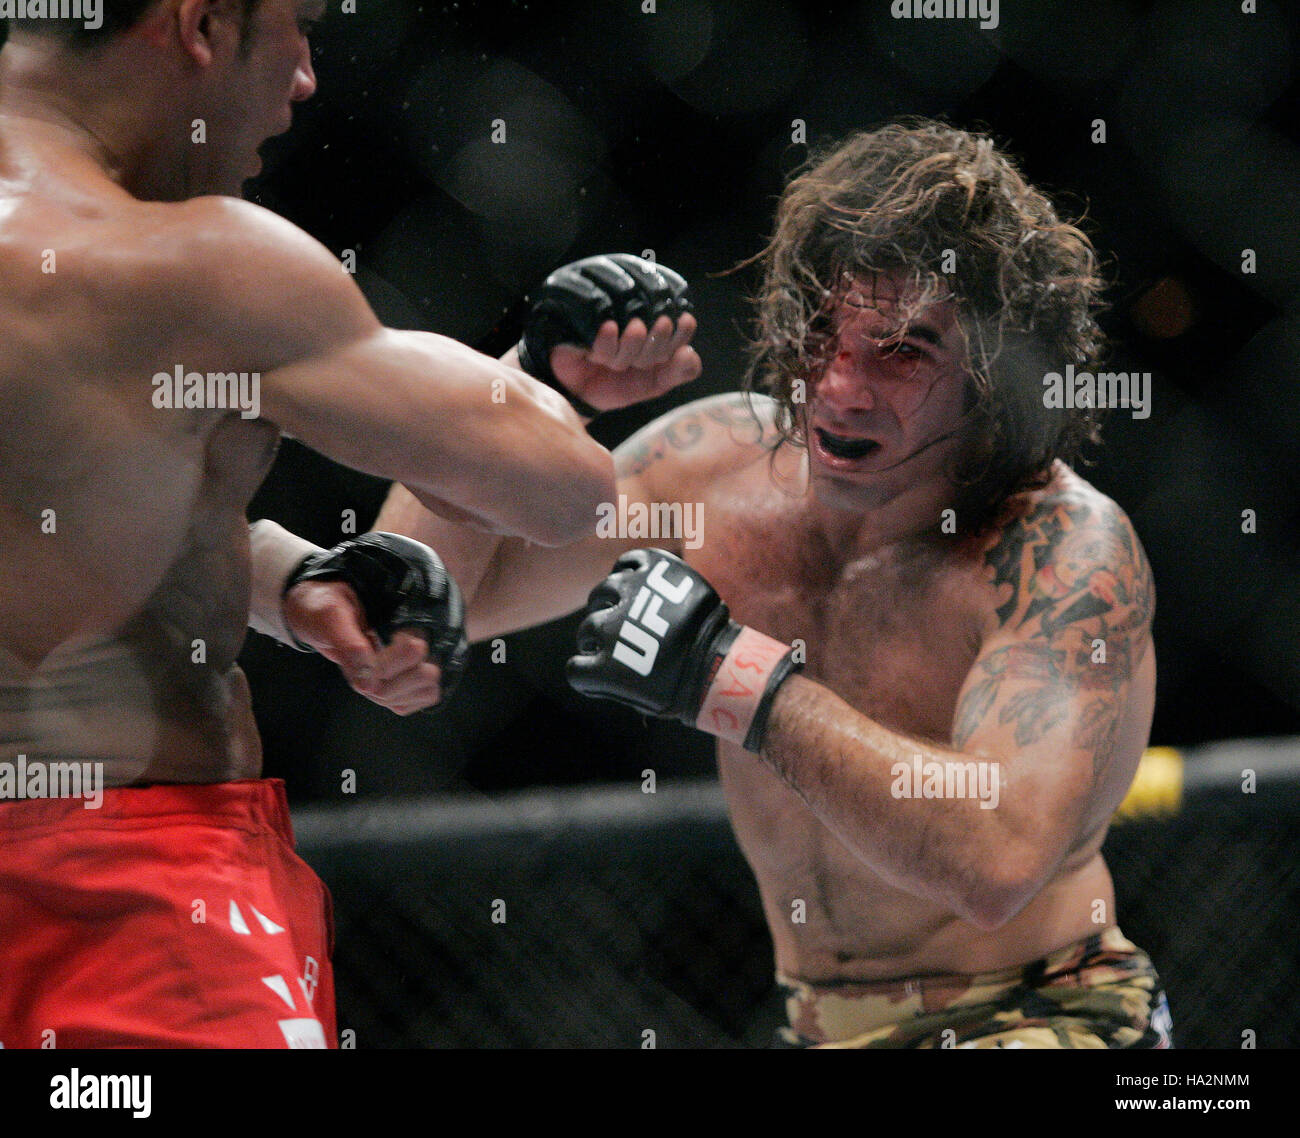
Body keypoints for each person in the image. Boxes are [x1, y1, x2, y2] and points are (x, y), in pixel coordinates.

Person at [377, 119, 1175, 1048]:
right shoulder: (712, 470)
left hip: (1036, 1012)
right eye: (821, 333)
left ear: (995, 379)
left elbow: (994, 862)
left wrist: (734, 678)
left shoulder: (1061, 552)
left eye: (902, 351)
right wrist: (531, 390)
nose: (838, 388)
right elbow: (413, 606)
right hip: (815, 1026)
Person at [0, 0, 698, 1047]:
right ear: (201, 26)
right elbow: (558, 489)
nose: (306, 79)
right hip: (134, 905)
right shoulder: (195, 264)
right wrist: (540, 377)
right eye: (297, 25)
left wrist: (288, 580)